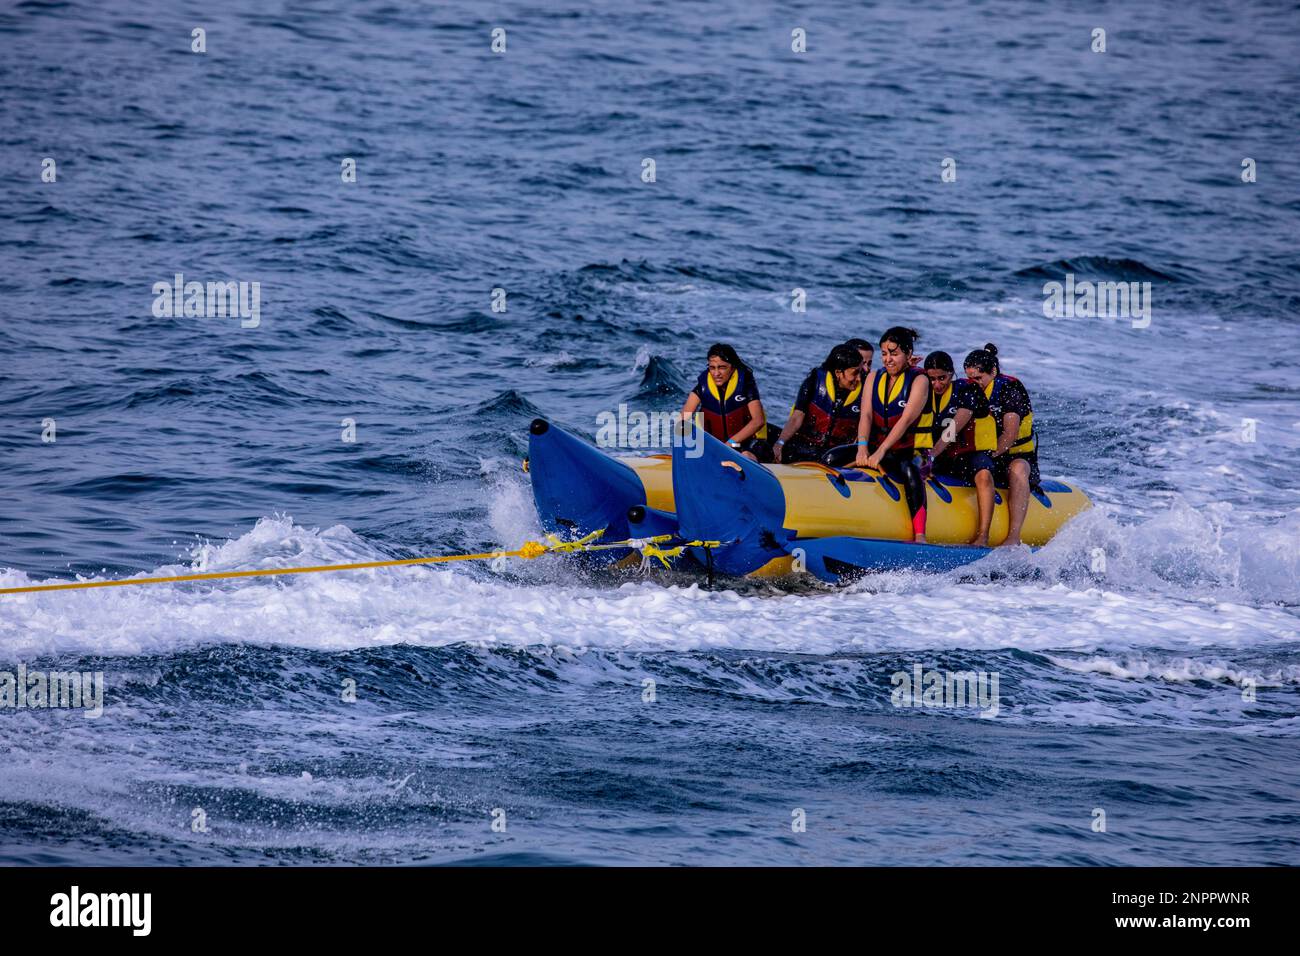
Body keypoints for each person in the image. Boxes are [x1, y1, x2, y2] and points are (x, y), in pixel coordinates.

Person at [853, 327, 931, 542]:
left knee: (911, 471)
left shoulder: (919, 380)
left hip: (912, 452)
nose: (888, 359)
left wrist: (880, 451)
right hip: (878, 449)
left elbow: (905, 421)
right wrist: (862, 447)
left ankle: (920, 535)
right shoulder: (873, 378)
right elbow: (866, 416)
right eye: (884, 354)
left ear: (907, 354)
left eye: (894, 354)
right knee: (833, 457)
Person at [916, 351, 998, 546]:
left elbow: (955, 426)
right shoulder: (923, 390)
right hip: (942, 456)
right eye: (932, 378)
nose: (937, 384)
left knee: (984, 474)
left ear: (952, 374)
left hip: (970, 454)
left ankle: (983, 536)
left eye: (942, 378)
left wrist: (931, 456)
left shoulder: (967, 389)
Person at [962, 343, 1039, 547]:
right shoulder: (968, 390)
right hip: (985, 452)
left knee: (1018, 468)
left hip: (1014, 455)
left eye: (978, 378)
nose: (974, 383)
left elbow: (1010, 433)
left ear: (993, 372)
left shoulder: (1010, 390)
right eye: (970, 378)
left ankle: (1013, 536)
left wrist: (990, 456)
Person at [772, 344, 863, 464]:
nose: (859, 378)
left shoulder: (865, 391)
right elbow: (797, 416)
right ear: (838, 373)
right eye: (855, 373)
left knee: (830, 458)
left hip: (836, 455)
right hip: (804, 447)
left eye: (860, 372)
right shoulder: (814, 380)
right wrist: (780, 443)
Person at [681, 343, 772, 461]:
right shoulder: (703, 387)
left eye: (722, 367)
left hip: (744, 445)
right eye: (712, 367)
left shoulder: (745, 384)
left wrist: (729, 444)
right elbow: (683, 419)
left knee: (745, 455)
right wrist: (683, 448)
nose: (716, 373)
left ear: (733, 367)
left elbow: (758, 421)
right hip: (717, 446)